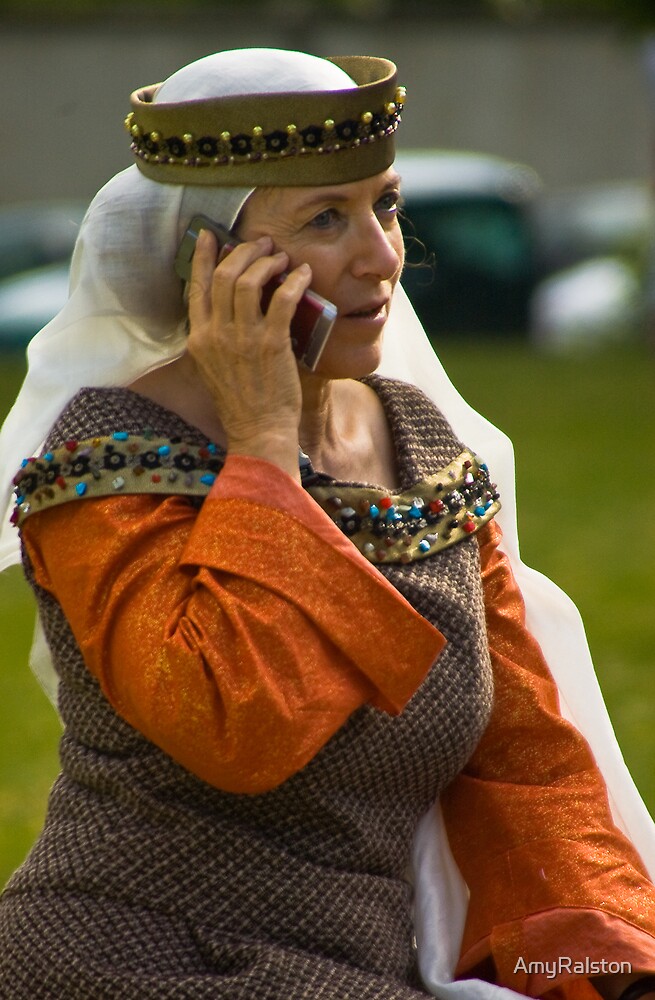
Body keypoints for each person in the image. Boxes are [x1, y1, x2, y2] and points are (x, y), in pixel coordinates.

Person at [0, 47, 655, 1000]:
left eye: (383, 205)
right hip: (127, 959)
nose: (381, 254)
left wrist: (610, 971)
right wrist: (265, 442)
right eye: (323, 218)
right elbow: (238, 722)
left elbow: (527, 772)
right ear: (205, 259)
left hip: (359, 968)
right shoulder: (111, 456)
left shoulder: (420, 444)